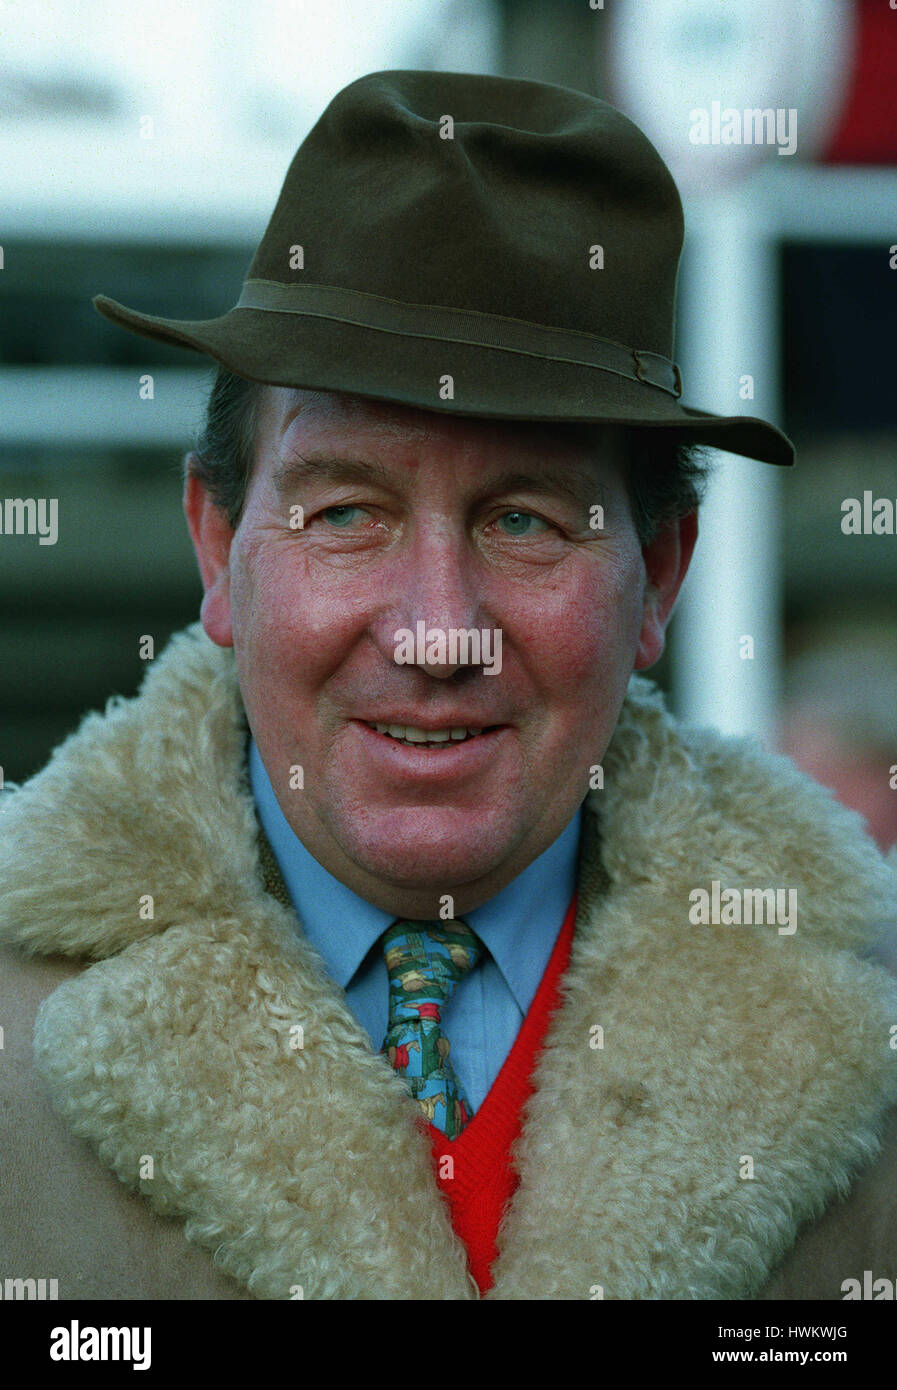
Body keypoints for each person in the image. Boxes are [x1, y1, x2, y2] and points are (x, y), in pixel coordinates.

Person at [1, 69, 895, 1302]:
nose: (435, 632)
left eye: (525, 521)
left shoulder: (875, 1044)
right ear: (217, 548)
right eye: (347, 511)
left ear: (664, 575)